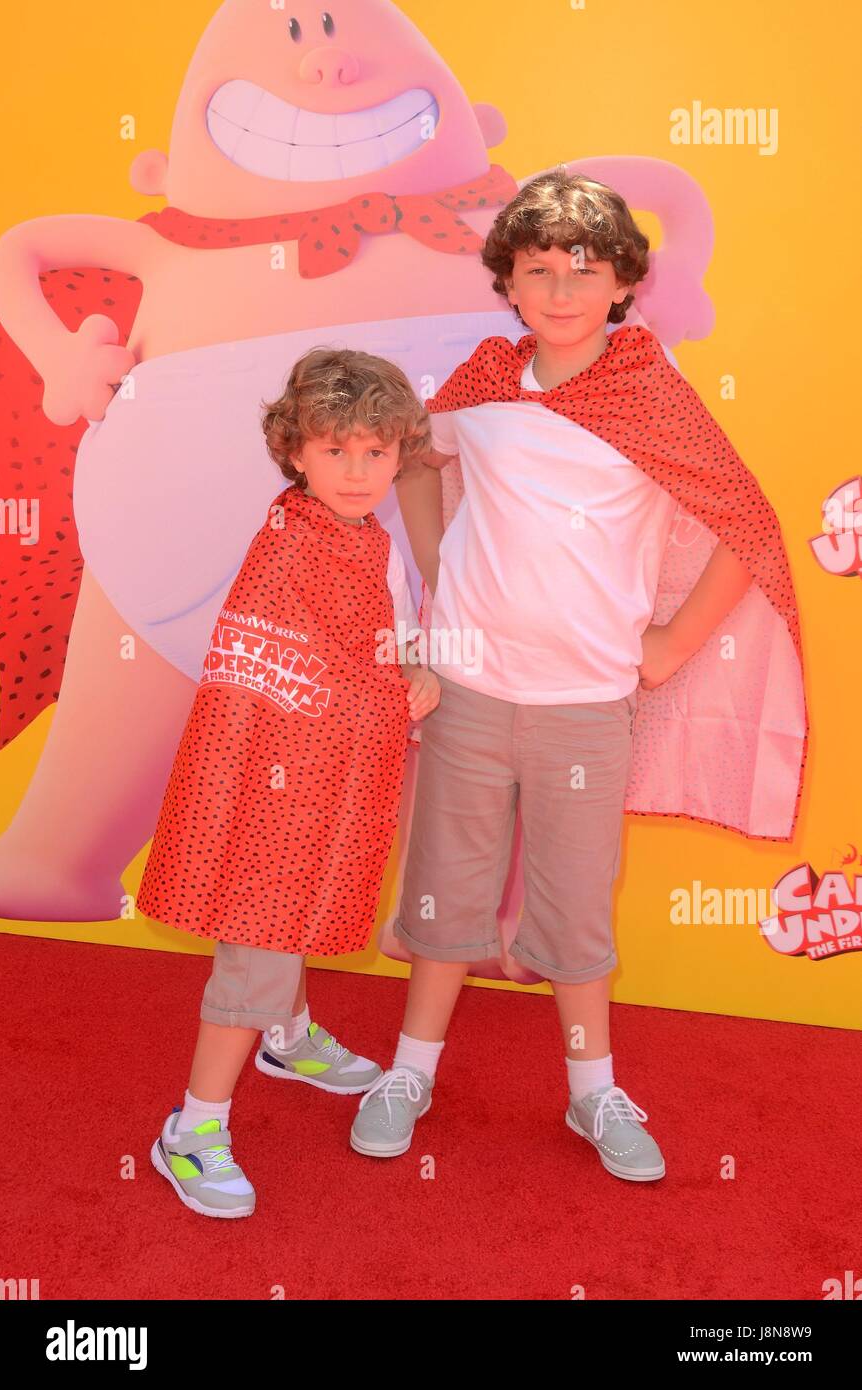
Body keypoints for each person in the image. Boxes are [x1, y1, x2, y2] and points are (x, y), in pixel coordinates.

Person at [349, 169, 806, 1181]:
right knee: (441, 897)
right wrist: (434, 570)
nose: (558, 291)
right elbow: (420, 463)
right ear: (506, 282)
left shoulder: (653, 396)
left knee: (573, 913)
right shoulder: (483, 381)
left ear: (621, 284)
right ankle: (408, 1071)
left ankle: (591, 1091)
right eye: (537, 270)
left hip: (582, 709)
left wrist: (672, 647)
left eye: (583, 270)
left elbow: (745, 523)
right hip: (467, 690)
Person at [137, 347, 440, 1217]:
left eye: (376, 453)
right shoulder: (286, 544)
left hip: (325, 773)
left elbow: (389, 633)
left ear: (398, 453)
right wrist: (383, 694)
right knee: (260, 938)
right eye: (335, 450)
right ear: (295, 451)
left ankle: (290, 1037)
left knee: (296, 907)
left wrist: (413, 666)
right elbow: (276, 663)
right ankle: (191, 1130)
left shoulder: (369, 540)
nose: (357, 471)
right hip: (268, 779)